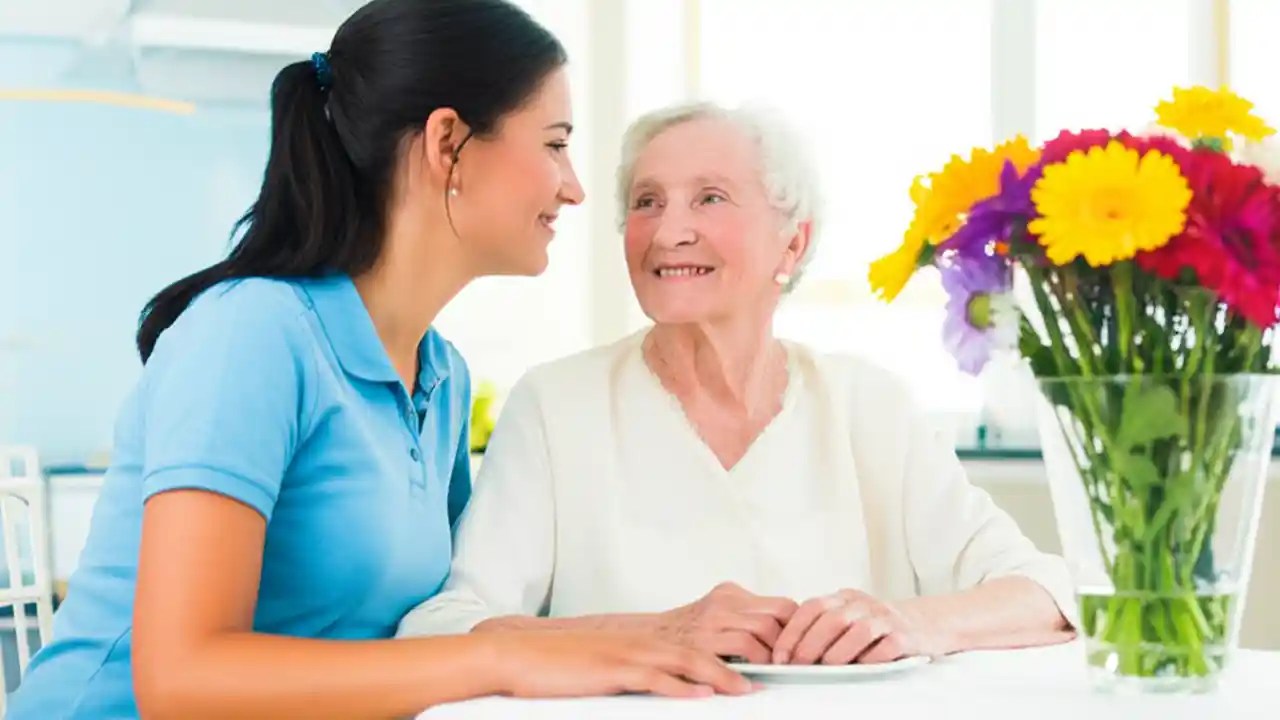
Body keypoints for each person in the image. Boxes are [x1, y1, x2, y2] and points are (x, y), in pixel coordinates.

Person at [8, 4, 755, 718]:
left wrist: (660, 632)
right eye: (555, 143)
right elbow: (183, 679)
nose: (574, 186)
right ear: (446, 143)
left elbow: (453, 628)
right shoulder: (252, 335)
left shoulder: (442, 377)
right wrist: (502, 664)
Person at [397, 102, 1079, 666]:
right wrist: (650, 636)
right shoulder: (556, 405)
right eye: (646, 201)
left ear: (792, 243)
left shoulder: (868, 405)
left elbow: (1049, 590)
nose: (670, 230)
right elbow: (445, 627)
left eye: (710, 198)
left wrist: (915, 625)